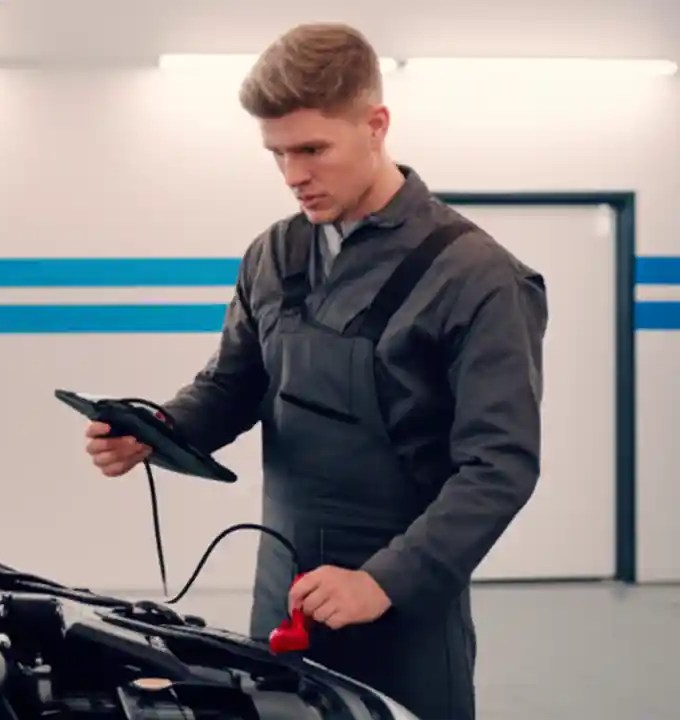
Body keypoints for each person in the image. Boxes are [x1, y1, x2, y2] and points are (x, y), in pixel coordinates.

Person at [82, 22, 547, 720]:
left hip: (403, 612)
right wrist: (159, 428)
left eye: (312, 149)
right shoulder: (272, 254)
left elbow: (500, 466)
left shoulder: (477, 276)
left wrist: (383, 582)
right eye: (277, 154)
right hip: (282, 590)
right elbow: (234, 384)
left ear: (376, 125)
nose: (294, 174)